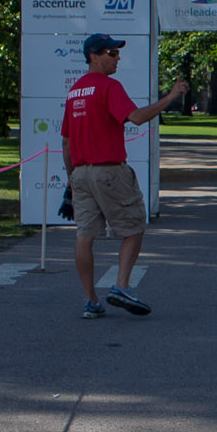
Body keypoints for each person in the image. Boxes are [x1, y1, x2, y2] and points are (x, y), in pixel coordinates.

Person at [62, 33, 187, 318]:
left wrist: (71, 179)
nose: (117, 58)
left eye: (117, 53)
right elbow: (137, 118)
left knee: (84, 236)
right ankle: (121, 286)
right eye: (111, 53)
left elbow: (66, 142)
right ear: (93, 56)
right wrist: (170, 97)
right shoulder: (109, 86)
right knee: (134, 227)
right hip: (109, 171)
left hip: (80, 174)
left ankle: (91, 301)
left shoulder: (74, 91)